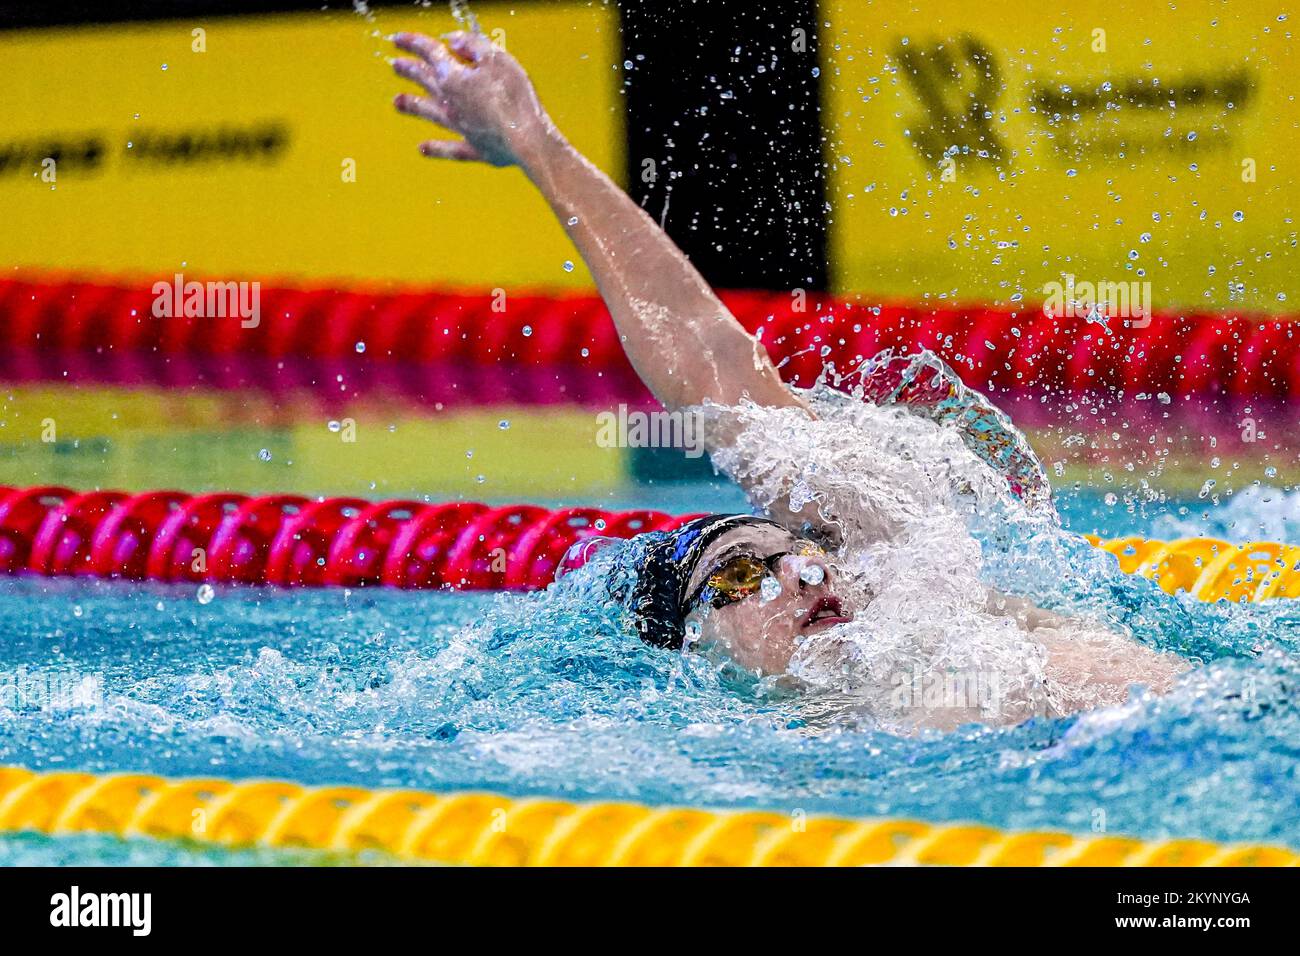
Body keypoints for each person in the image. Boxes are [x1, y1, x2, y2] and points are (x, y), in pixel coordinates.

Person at [389, 30, 1187, 731]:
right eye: (740, 576)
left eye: (799, 549)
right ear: (696, 647)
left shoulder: (912, 580)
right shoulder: (738, 766)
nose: (801, 571)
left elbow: (717, 371)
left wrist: (538, 145)